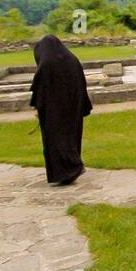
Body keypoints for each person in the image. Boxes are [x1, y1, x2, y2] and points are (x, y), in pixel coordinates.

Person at [29, 35, 92, 185]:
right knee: (71, 137)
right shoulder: (72, 60)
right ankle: (71, 168)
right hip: (72, 107)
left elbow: (41, 90)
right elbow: (80, 83)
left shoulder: (46, 65)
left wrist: (38, 107)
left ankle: (68, 170)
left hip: (53, 111)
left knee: (56, 140)